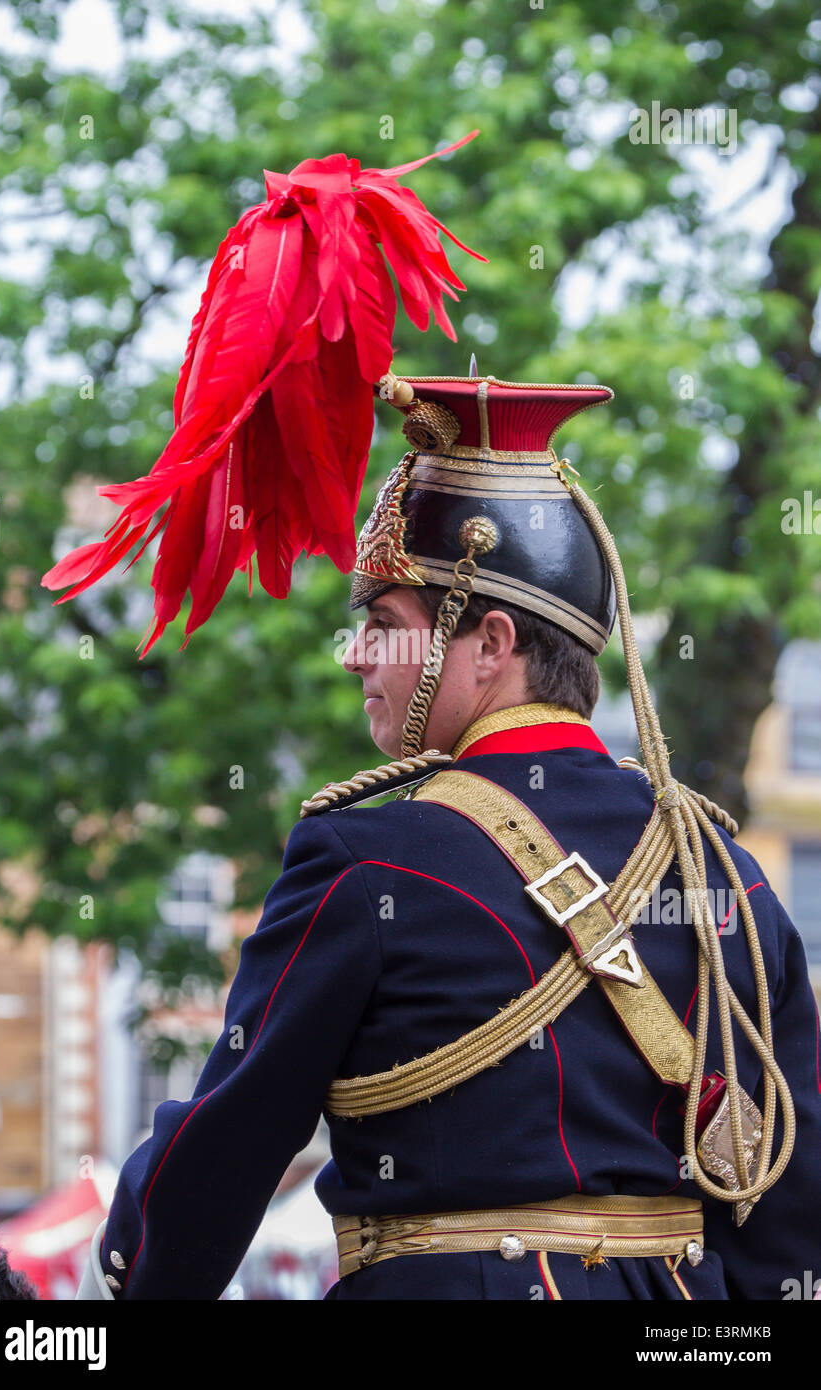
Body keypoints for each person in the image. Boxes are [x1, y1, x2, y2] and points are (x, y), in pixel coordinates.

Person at [74, 370, 821, 1301]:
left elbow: (224, 1152)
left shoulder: (365, 864)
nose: (357, 655)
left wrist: (129, 1277)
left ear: (492, 642)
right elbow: (786, 1220)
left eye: (386, 625)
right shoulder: (730, 882)